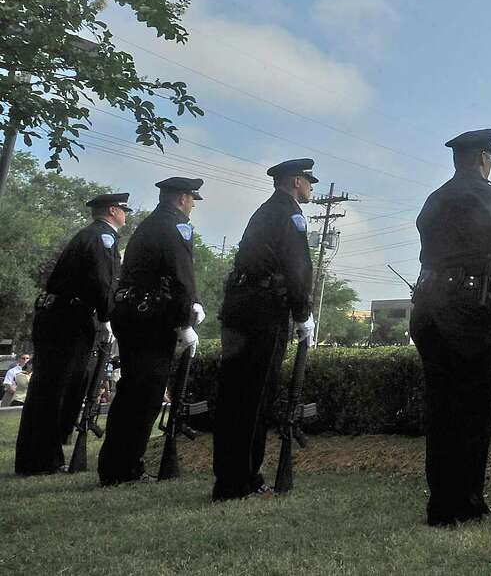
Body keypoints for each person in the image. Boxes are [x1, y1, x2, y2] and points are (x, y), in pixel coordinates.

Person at [410, 129, 491, 526]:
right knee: (472, 408)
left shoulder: (434, 199)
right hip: (470, 309)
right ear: (483, 158)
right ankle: (465, 504)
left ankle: (441, 502)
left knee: (441, 407)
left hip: (429, 308)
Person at [212, 159, 318, 501]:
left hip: (240, 306)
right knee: (255, 397)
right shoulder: (290, 214)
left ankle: (229, 477)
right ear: (296, 181)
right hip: (263, 311)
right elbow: (297, 267)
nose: (312, 188)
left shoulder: (263, 211)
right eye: (309, 182)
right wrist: (303, 313)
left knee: (235, 397)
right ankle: (242, 481)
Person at [98, 178, 205, 486]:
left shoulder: (151, 223)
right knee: (144, 396)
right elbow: (180, 273)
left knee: (132, 393)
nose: (194, 205)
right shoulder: (176, 225)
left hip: (133, 314)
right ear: (183, 198)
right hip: (151, 320)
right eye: (193, 199)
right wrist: (186, 320)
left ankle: (115, 466)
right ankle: (126, 468)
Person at [14, 193, 128, 475]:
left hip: (61, 317)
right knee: (56, 390)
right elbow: (102, 282)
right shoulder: (103, 237)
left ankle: (36, 457)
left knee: (48, 389)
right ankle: (42, 461)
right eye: (124, 209)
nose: (126, 214)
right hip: (69, 321)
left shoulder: (89, 235)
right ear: (113, 210)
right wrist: (108, 317)